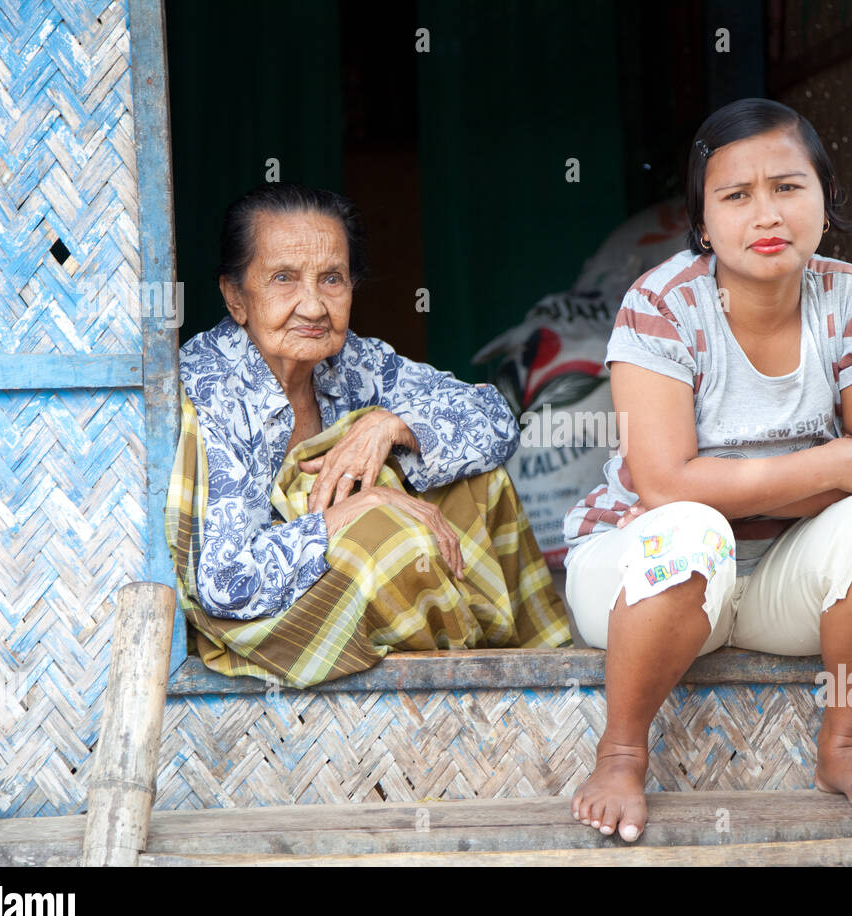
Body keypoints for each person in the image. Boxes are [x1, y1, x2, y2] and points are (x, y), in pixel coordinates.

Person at [562, 98, 852, 841]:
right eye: (736, 196)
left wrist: (743, 481)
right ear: (702, 222)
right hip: (643, 575)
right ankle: (621, 753)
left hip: (781, 586)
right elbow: (666, 485)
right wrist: (831, 464)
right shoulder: (662, 306)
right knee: (693, 528)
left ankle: (845, 745)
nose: (766, 214)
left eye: (788, 187)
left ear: (827, 200)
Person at [166, 183, 570, 687]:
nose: (313, 306)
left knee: (476, 478)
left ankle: (529, 668)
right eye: (284, 279)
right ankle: (462, 674)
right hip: (262, 614)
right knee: (384, 533)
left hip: (353, 585)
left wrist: (390, 425)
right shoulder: (214, 389)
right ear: (235, 297)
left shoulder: (351, 362)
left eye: (332, 278)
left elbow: (494, 416)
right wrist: (353, 511)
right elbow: (228, 585)